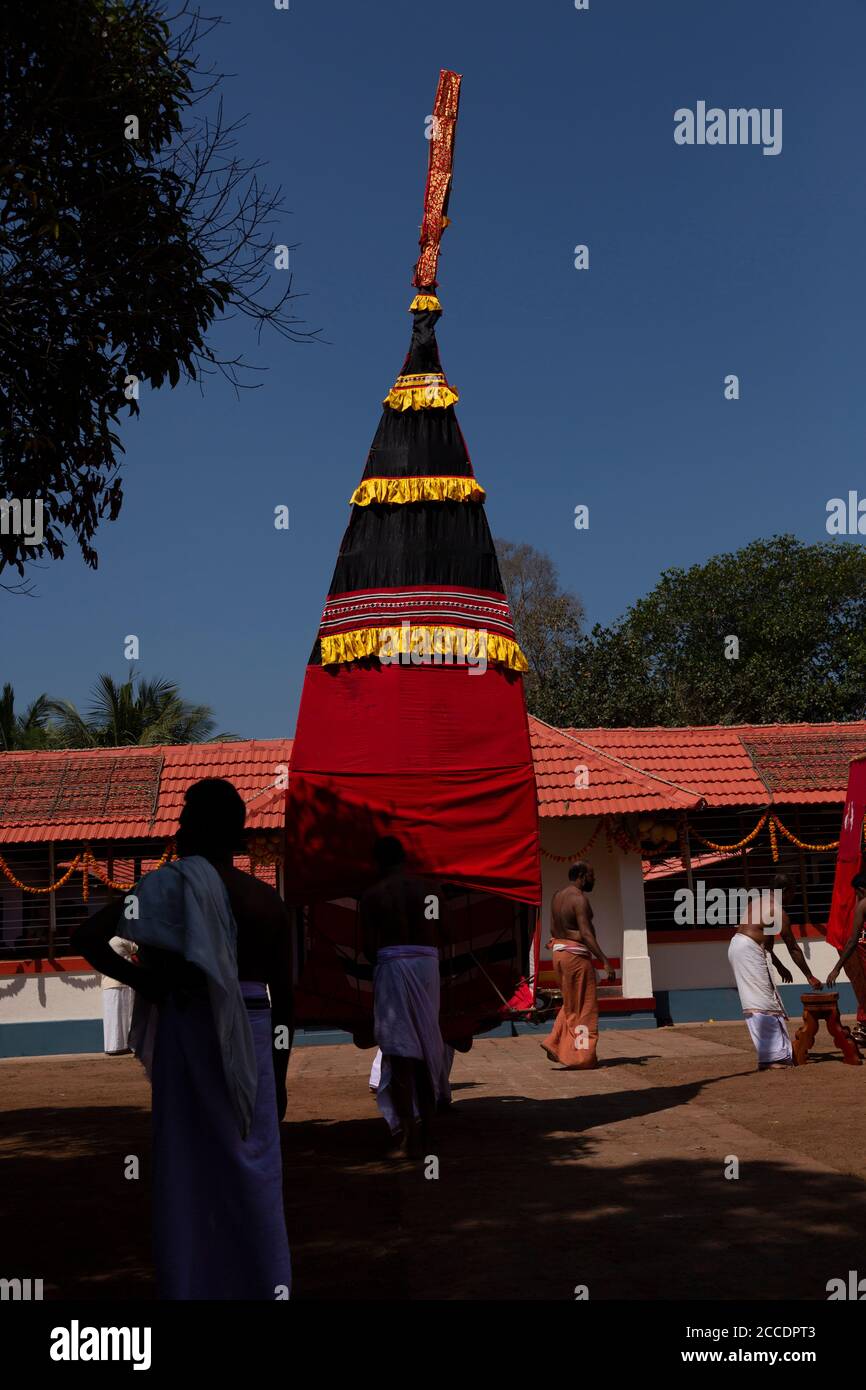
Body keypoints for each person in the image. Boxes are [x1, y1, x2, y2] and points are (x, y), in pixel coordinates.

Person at [73, 777, 293, 1300]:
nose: (176, 827)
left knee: (185, 1165)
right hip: (255, 1035)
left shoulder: (164, 889)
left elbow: (87, 938)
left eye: (184, 817)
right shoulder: (265, 901)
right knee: (253, 1164)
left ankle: (191, 1285)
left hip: (188, 1031)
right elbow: (286, 1000)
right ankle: (264, 1285)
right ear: (237, 834)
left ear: (193, 829)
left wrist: (147, 980)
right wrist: (278, 1076)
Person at [360, 835, 450, 1157]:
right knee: (425, 1051)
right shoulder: (430, 890)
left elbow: (369, 949)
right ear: (405, 859)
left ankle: (408, 1136)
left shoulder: (372, 896)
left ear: (377, 863)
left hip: (393, 967)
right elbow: (444, 934)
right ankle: (428, 1133)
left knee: (399, 1056)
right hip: (427, 967)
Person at [727, 872, 820, 1070]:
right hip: (748, 950)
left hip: (739, 947)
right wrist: (809, 976)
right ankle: (772, 1057)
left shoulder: (757, 903)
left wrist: (779, 965)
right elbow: (793, 947)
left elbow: (766, 943)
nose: (793, 897)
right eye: (793, 892)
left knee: (762, 999)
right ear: (784, 891)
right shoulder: (778, 912)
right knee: (762, 1002)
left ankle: (774, 1054)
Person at [541, 861, 614, 1070]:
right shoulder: (579, 899)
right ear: (582, 875)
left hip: (559, 955)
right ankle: (583, 1057)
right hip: (576, 958)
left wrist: (570, 936)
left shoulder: (557, 896)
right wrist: (605, 961)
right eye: (592, 875)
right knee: (585, 1006)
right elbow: (587, 934)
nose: (594, 879)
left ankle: (554, 1042)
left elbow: (554, 929)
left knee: (572, 1003)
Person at [826, 872, 866, 1045]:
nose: (856, 897)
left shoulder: (863, 904)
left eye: (857, 893)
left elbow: (852, 941)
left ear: (862, 890)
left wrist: (836, 968)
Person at [100, 935, 137, 1055]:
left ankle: (112, 1046)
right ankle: (124, 1045)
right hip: (121, 983)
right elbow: (137, 948)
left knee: (112, 1016)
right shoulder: (120, 940)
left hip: (107, 984)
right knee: (126, 1016)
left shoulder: (103, 942)